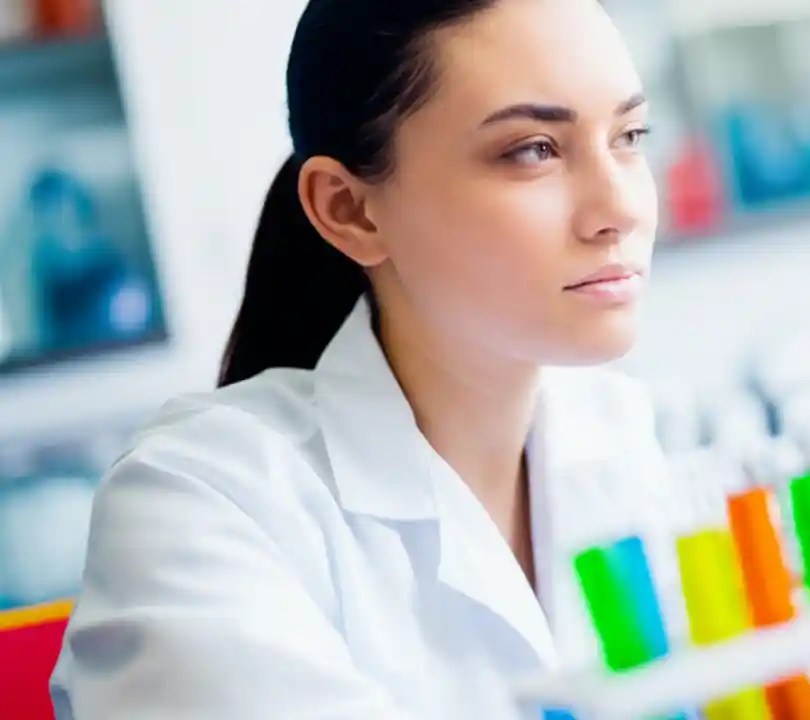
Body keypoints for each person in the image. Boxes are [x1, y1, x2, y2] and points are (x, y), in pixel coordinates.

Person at [49, 0, 668, 717]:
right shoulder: (200, 503)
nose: (618, 206)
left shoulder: (618, 433)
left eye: (629, 135)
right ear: (350, 210)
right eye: (533, 149)